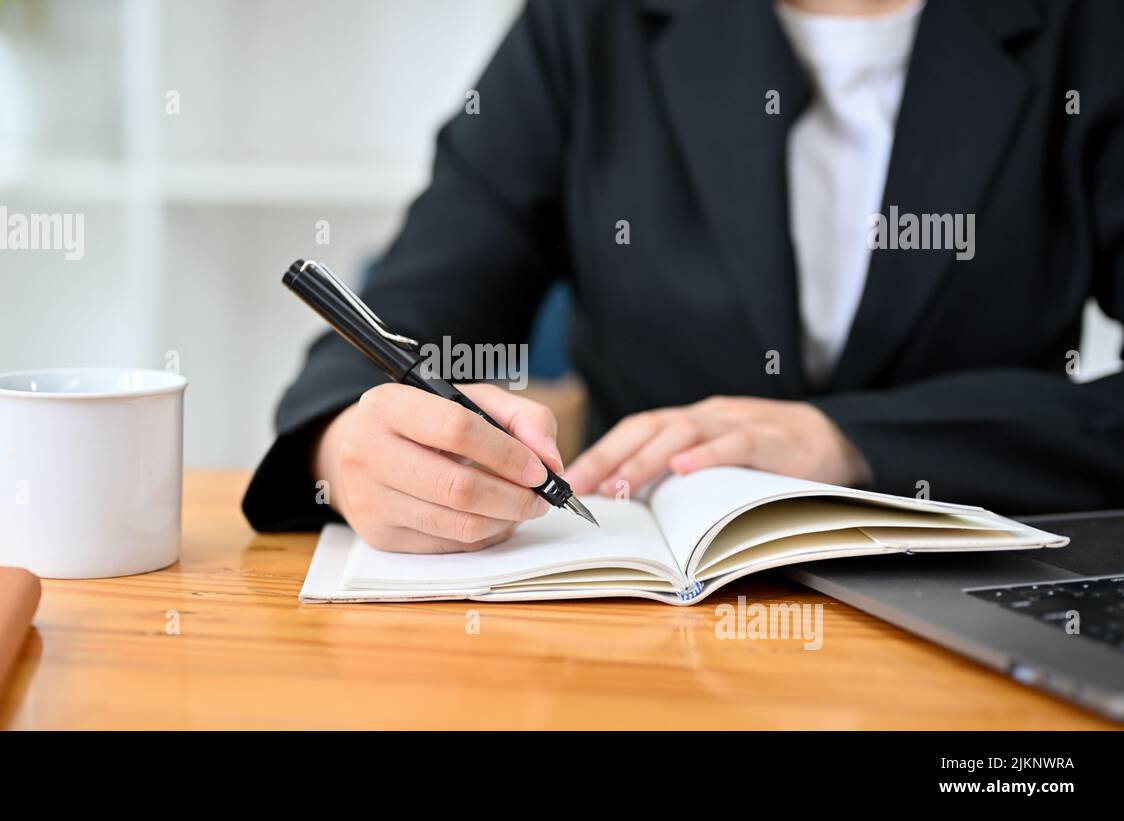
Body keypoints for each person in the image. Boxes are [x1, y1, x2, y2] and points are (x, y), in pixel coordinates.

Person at [243, 0, 1124, 553]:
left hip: (994, 590)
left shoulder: (1093, 31)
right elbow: (402, 315)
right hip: (651, 620)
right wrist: (347, 448)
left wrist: (850, 439)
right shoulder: (586, 24)